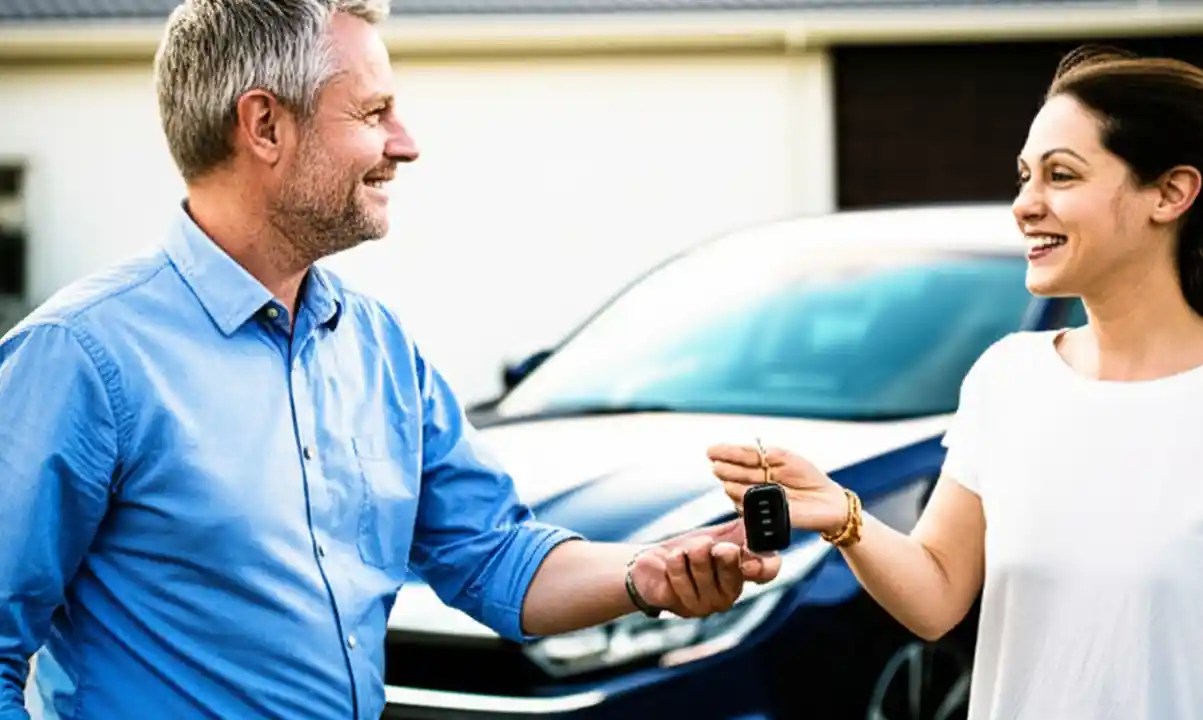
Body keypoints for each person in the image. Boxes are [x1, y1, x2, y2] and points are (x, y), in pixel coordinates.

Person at [0, 2, 781, 718]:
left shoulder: (379, 349)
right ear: (265, 127)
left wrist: (645, 572)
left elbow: (494, 556)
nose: (405, 144)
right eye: (375, 112)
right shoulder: (80, 358)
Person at [712, 45, 1203, 719]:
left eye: (1061, 176)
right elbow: (939, 593)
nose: (1025, 205)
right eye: (1024, 177)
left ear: (1171, 193)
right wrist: (844, 517)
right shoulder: (1009, 377)